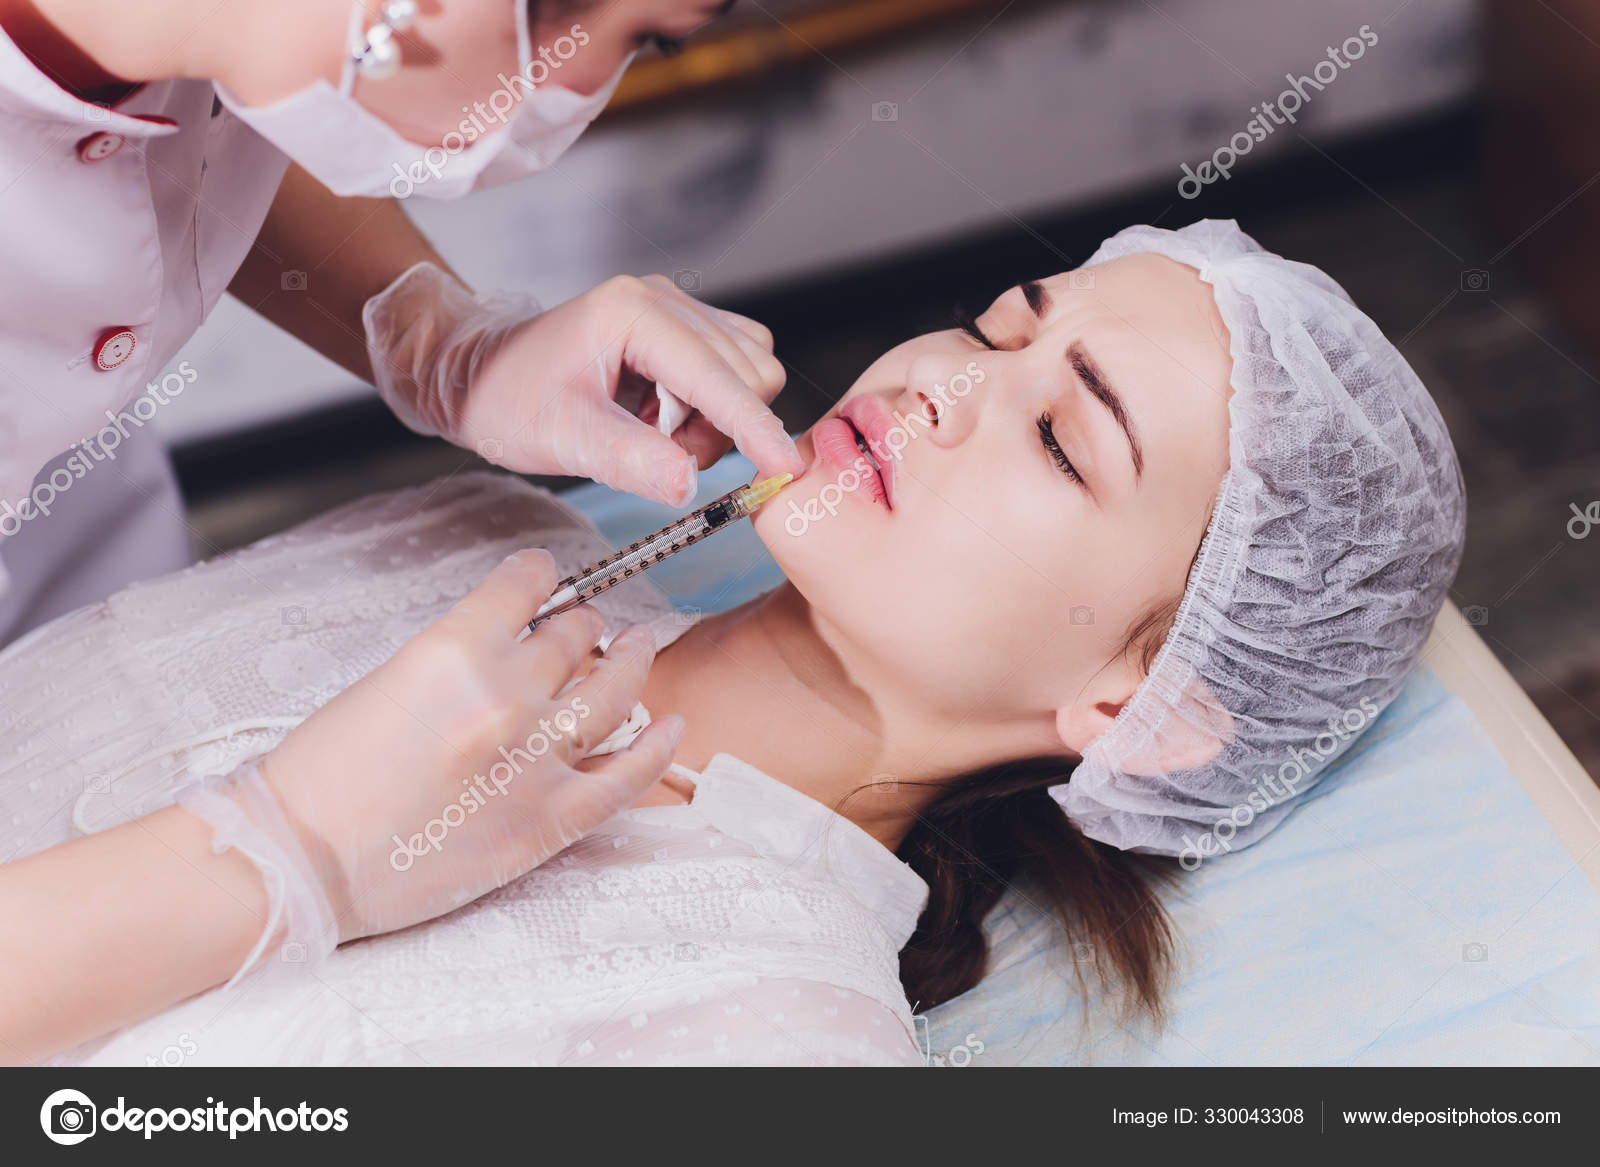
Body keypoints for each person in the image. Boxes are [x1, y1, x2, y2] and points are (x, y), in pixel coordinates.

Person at [0, 220, 1466, 1065]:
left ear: (1143, 702)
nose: (946, 381)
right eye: (998, 330)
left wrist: (298, 856)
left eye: (1063, 441)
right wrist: (446, 337)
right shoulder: (475, 531)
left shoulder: (782, 1039)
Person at [0, 0, 802, 644]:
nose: (575, 79)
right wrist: (277, 800)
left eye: (653, 37)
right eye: (556, 6)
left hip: (88, 588)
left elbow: (212, 132)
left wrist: (450, 345)